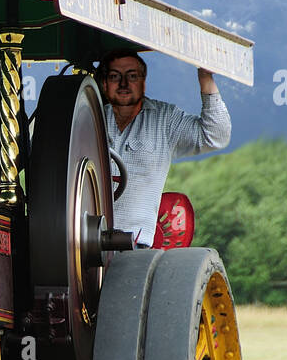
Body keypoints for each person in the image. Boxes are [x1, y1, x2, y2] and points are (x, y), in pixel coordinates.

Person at [97, 49, 231, 247]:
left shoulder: (165, 118)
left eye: (132, 76)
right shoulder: (88, 116)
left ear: (143, 82)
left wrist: (205, 77)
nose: (124, 84)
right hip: (82, 243)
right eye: (116, 77)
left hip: (136, 245)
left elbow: (215, 136)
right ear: (104, 84)